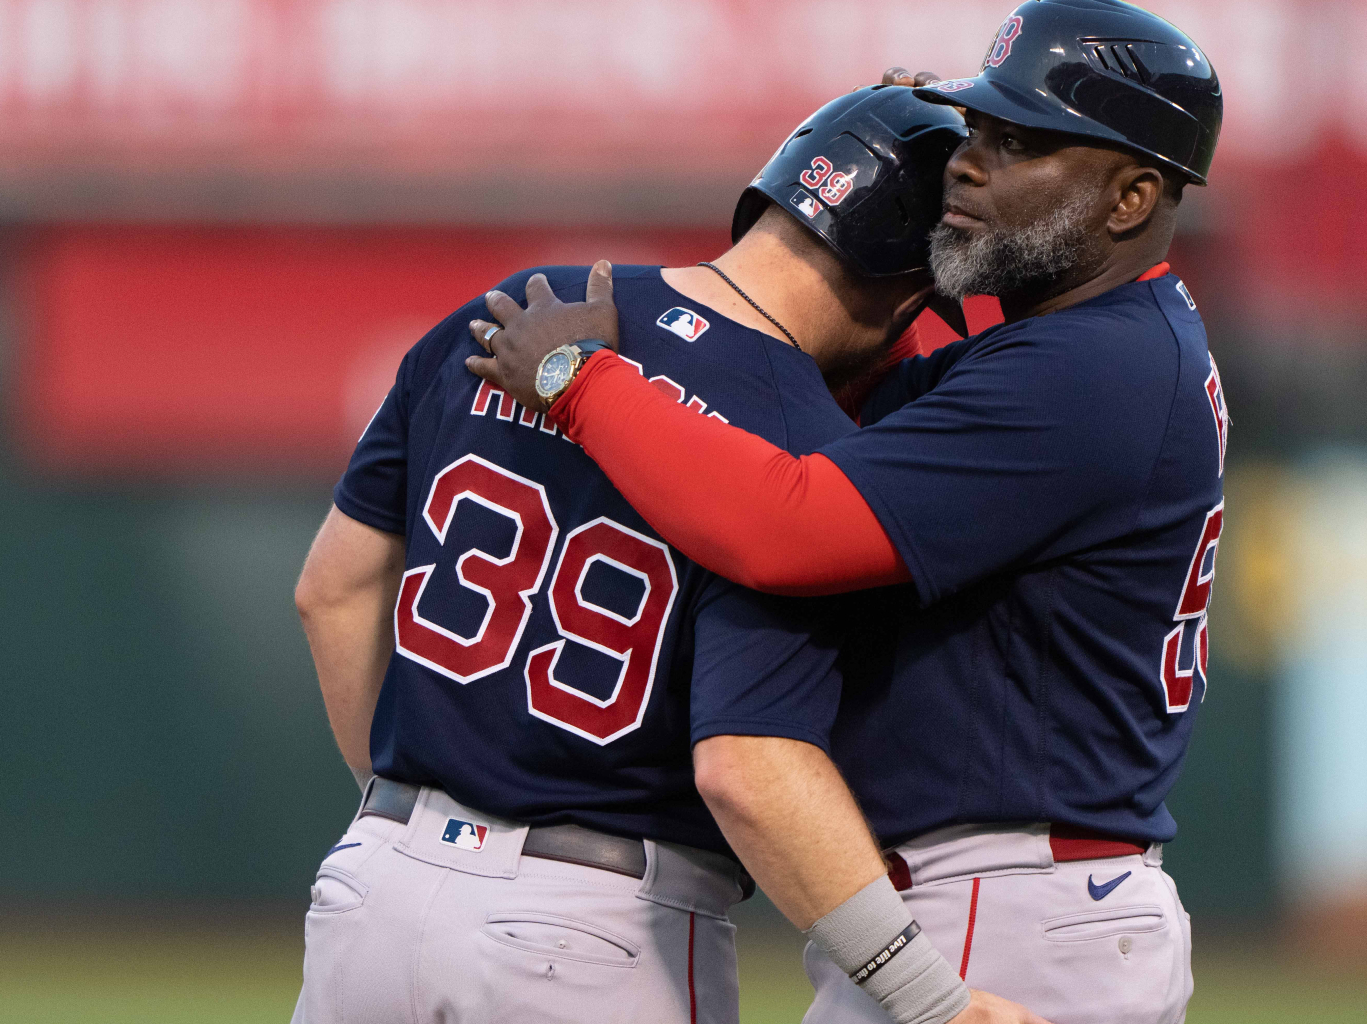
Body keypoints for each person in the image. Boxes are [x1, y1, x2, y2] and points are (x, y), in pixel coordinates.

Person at [467, 0, 1225, 1024]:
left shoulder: (1095, 370)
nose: (969, 161)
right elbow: (857, 417)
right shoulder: (1089, 350)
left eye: (1021, 143)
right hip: (1020, 903)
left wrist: (576, 377)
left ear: (1131, 197)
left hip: (1008, 920)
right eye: (974, 130)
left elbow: (783, 526)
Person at [292, 85, 1045, 1024]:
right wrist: (934, 1004)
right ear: (907, 298)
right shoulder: (802, 457)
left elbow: (331, 593)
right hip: (593, 927)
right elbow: (750, 768)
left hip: (372, 887)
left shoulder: (513, 312)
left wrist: (420, 821)